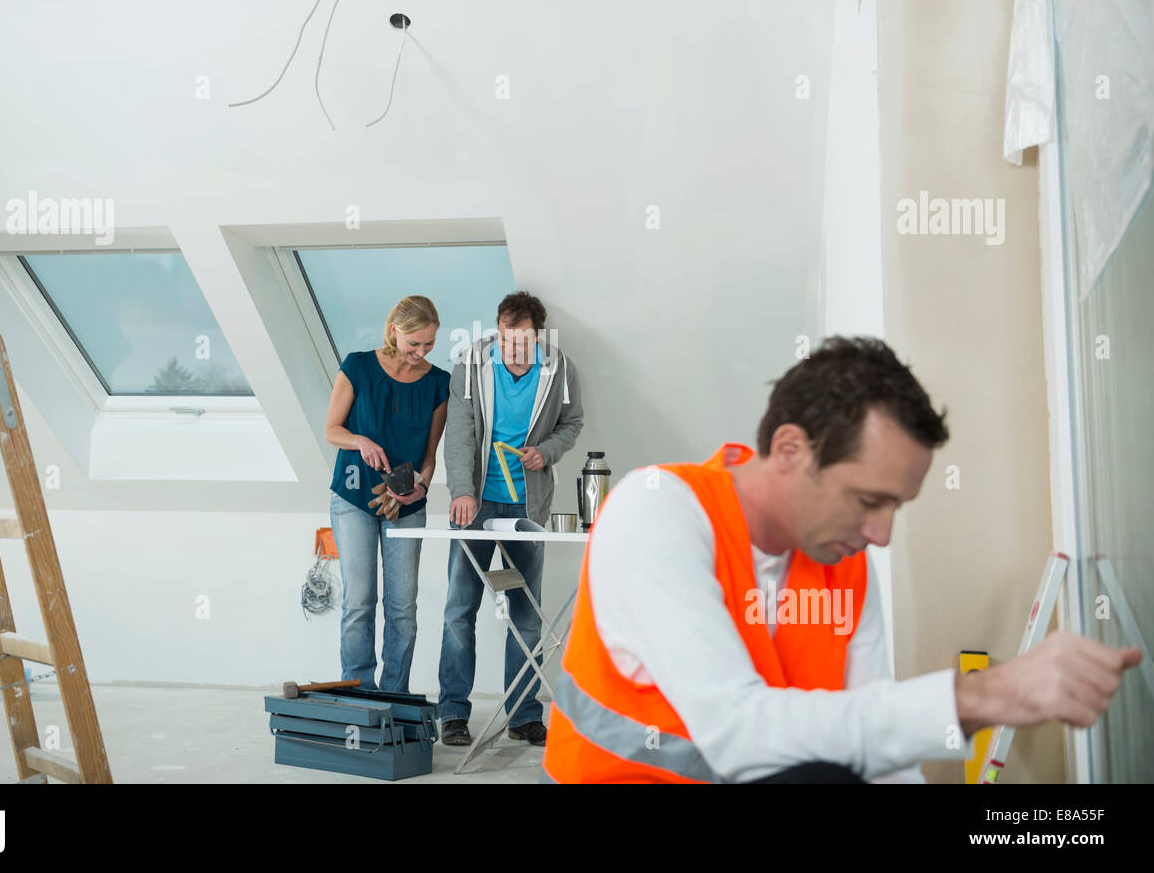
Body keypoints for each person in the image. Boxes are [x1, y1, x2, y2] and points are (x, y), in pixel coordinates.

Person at [542, 336, 1143, 783]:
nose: (881, 535)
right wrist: (981, 696)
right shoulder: (655, 512)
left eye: (896, 508)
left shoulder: (843, 563)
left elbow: (875, 751)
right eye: (868, 501)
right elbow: (740, 734)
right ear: (790, 450)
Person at [439, 291, 584, 746]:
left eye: (521, 340)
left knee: (526, 614)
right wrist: (462, 490)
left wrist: (547, 452)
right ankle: (453, 715)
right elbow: (459, 431)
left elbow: (572, 422)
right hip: (476, 505)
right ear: (498, 329)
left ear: (538, 336)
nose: (511, 348)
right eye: (505, 337)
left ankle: (523, 714)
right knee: (460, 609)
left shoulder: (560, 369)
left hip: (528, 508)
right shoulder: (471, 363)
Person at [323, 295, 450, 693]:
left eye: (428, 344)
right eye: (415, 343)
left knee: (402, 609)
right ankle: (358, 695)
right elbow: (332, 429)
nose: (420, 352)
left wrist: (422, 486)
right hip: (353, 498)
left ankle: (395, 698)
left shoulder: (439, 384)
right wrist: (360, 441)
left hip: (406, 506)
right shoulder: (357, 366)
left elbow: (430, 456)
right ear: (395, 329)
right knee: (359, 602)